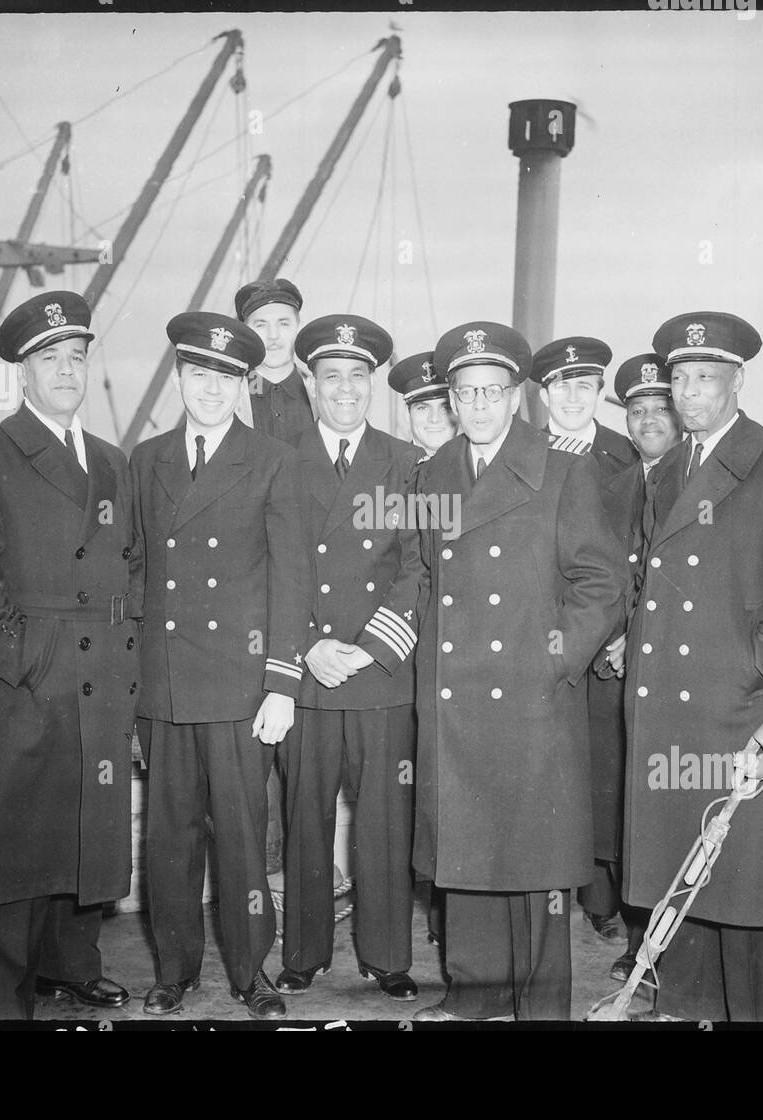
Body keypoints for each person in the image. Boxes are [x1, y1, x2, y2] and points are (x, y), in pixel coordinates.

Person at [620, 311, 763, 1023]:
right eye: (679, 379)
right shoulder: (665, 471)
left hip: (736, 715)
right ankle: (682, 1012)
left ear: (737, 382)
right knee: (678, 888)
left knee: (745, 895)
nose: (688, 393)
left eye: (705, 379)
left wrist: (756, 686)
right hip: (668, 718)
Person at [0, 290, 142, 1019]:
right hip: (29, 684)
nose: (66, 371)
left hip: (101, 681)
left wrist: (125, 660)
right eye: (50, 359)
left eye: (76, 358)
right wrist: (27, 659)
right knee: (11, 847)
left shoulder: (113, 465)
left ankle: (69, 964)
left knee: (86, 836)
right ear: (22, 373)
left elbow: (131, 568)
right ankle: (1, 996)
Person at [411, 321, 626, 1022]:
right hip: (455, 697)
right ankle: (474, 992)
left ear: (514, 396)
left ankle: (538, 1005)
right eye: (464, 393)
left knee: (534, 867)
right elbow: (420, 573)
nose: (477, 406)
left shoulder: (563, 469)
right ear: (450, 397)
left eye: (491, 392)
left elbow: (602, 582)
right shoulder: (433, 474)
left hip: (531, 694)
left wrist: (553, 659)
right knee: (467, 856)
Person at [129, 312, 311, 1021]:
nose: (210, 389)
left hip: (239, 686)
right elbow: (138, 569)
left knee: (240, 833)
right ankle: (173, 971)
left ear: (243, 385)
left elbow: (291, 580)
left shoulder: (271, 459)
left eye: (226, 378)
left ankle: (250, 972)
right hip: (167, 682)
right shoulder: (147, 460)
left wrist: (282, 683)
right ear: (179, 378)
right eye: (198, 375)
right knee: (168, 836)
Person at [275, 315, 425, 1003]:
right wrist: (309, 645)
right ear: (309, 382)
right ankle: (304, 952)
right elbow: (271, 564)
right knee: (306, 816)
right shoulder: (279, 457)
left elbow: (417, 568)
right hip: (308, 673)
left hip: (377, 675)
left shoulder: (407, 463)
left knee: (383, 822)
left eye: (358, 377)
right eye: (330, 376)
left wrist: (366, 651)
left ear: (373, 385)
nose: (345, 389)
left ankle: (388, 957)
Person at [530, 336, 639, 947]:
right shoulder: (518, 452)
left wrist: (621, 633)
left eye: (584, 386)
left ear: (600, 394)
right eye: (559, 386)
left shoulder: (629, 455)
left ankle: (601, 898)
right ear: (541, 394)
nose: (571, 397)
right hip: (537, 641)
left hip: (607, 640)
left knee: (603, 769)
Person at [603, 351, 682, 982]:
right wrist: (614, 635)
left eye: (660, 408)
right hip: (627, 671)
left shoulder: (701, 482)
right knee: (637, 811)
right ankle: (640, 943)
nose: (648, 419)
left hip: (684, 671)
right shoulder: (617, 485)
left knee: (681, 807)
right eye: (637, 410)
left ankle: (679, 948)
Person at [387, 350, 458, 951]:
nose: (432, 416)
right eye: (419, 406)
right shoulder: (403, 472)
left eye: (441, 404)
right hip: (402, 654)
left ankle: (446, 920)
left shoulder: (471, 470)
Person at [234, 278, 316, 448]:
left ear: (298, 326)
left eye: (283, 323)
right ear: (246, 330)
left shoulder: (320, 392)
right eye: (261, 325)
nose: (273, 335)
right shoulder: (229, 395)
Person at [388, 351, 458, 458]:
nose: (434, 419)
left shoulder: (478, 469)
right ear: (407, 414)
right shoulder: (390, 472)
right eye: (423, 408)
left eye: (445, 408)